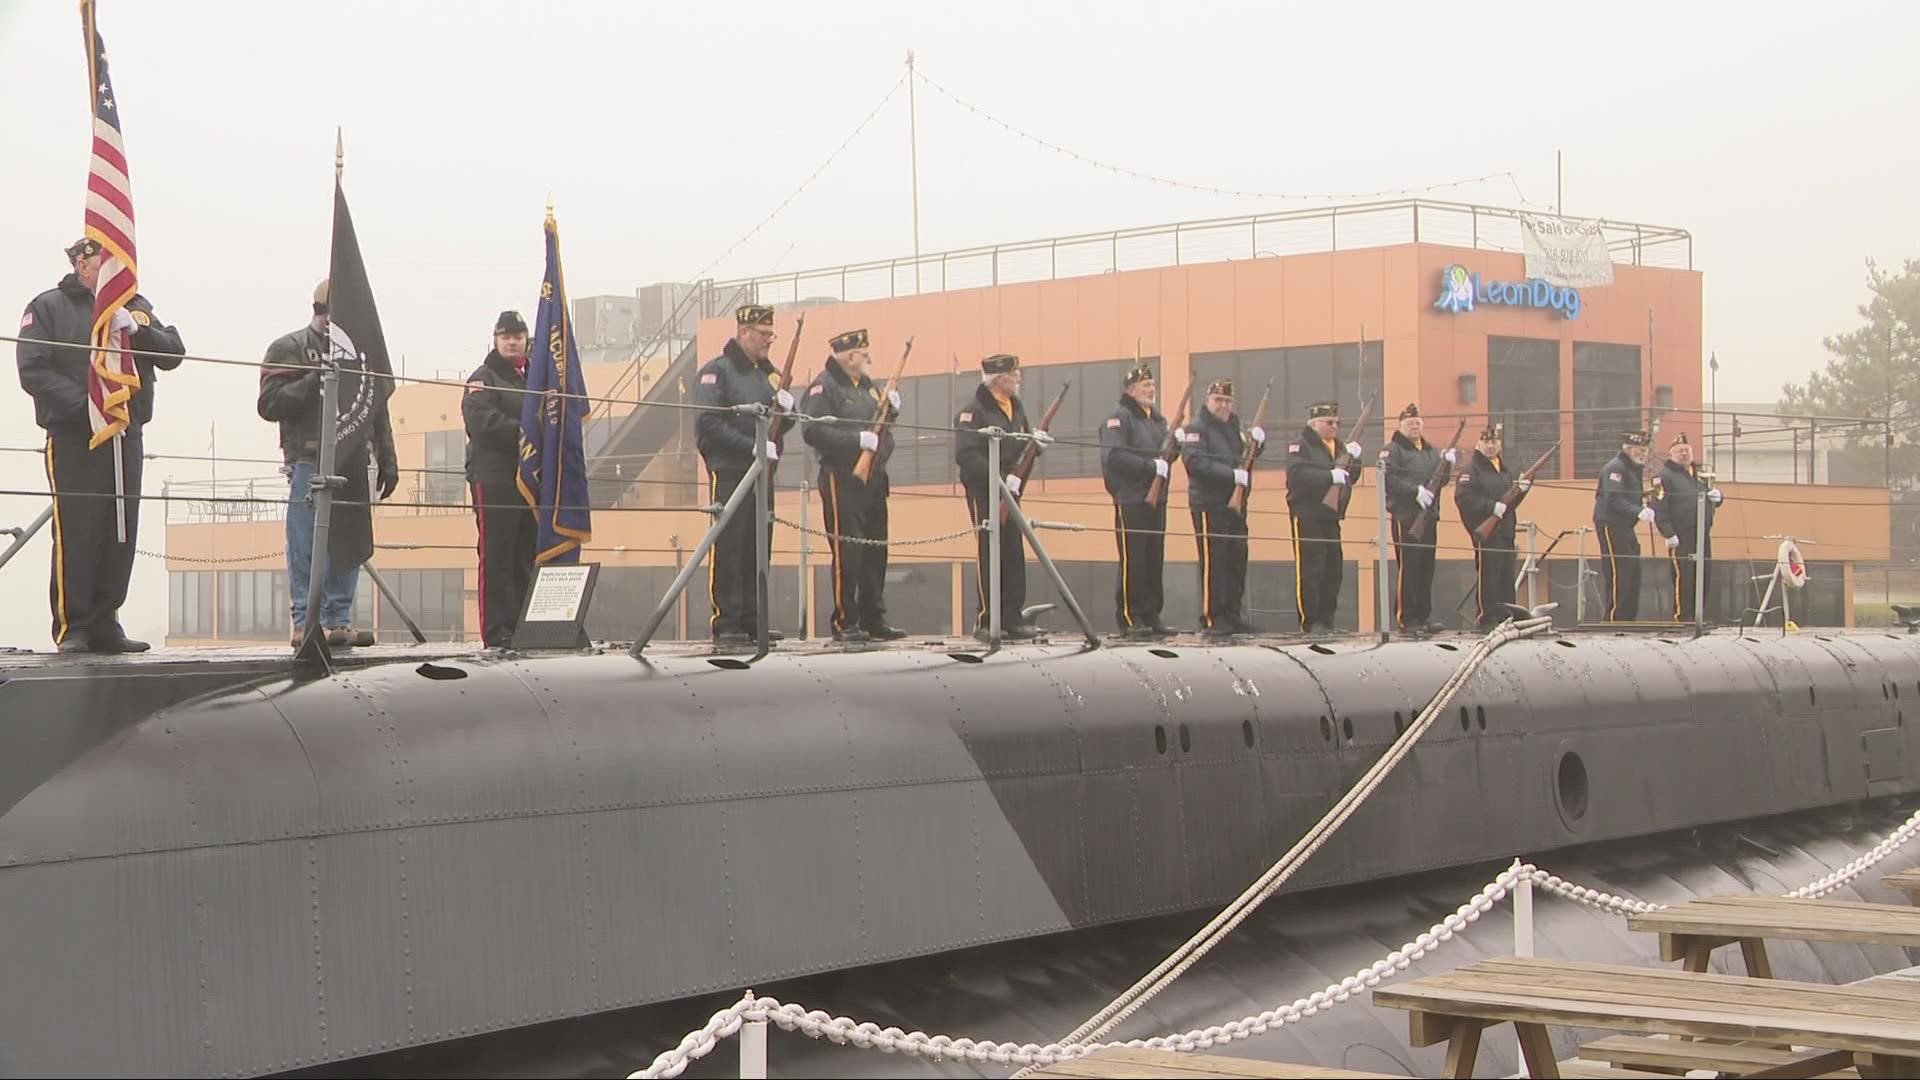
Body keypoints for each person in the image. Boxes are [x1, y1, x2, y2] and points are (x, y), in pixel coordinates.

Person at [15, 237, 184, 652]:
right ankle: (74, 625)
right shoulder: (47, 307)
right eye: (92, 260)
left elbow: (174, 352)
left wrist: (137, 327)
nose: (99, 267)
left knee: (119, 529)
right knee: (77, 528)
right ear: (78, 264)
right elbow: (33, 370)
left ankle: (108, 620)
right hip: (75, 434)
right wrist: (88, 407)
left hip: (126, 433)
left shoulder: (134, 306)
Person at [258, 280, 398, 648]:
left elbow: (375, 406)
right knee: (304, 542)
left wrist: (387, 457)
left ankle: (338, 619)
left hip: (352, 457)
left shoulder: (359, 353)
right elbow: (269, 404)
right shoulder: (288, 348)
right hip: (308, 456)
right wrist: (314, 380)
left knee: (349, 539)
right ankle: (304, 621)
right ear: (318, 313)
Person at [800, 327, 908, 643]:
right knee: (849, 551)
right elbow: (813, 432)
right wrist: (856, 441)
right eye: (864, 353)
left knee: (876, 549)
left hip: (874, 479)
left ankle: (874, 617)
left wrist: (886, 431)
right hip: (842, 477)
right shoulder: (825, 387)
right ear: (850, 356)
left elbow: (883, 432)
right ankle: (845, 620)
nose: (868, 358)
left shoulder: (869, 388)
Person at [693, 303, 791, 645]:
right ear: (744, 332)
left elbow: (781, 424)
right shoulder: (717, 373)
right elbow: (708, 423)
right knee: (731, 545)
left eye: (771, 335)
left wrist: (789, 411)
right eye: (763, 335)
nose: (768, 341)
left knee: (758, 546)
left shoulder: (768, 375)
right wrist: (751, 445)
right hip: (732, 470)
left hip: (763, 472)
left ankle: (753, 616)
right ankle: (728, 619)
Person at [955, 352, 1049, 640]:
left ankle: (1011, 615)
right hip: (985, 490)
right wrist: (997, 479)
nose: (1018, 377)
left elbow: (1020, 450)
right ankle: (987, 618)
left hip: (1012, 489)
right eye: (1013, 373)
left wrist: (1036, 447)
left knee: (1013, 552)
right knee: (990, 551)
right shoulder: (973, 412)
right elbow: (966, 455)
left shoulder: (1015, 408)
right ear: (998, 378)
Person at [461, 311, 539, 647]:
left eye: (517, 336)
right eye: (506, 336)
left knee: (524, 553)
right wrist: (526, 434)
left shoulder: (534, 379)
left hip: (528, 478)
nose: (512, 341)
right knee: (496, 554)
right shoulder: (484, 378)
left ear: (525, 340)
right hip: (494, 477)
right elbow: (481, 423)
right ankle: (496, 631)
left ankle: (521, 625)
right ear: (496, 340)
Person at [1183, 378, 1262, 637]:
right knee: (1214, 561)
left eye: (1227, 401)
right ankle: (1212, 617)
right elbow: (1194, 462)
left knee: (1236, 559)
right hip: (1209, 502)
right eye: (1218, 400)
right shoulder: (1198, 427)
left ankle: (1231, 614)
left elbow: (1246, 453)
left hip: (1235, 504)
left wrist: (1259, 444)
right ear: (1208, 400)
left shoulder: (1234, 426)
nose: (1224, 405)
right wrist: (1231, 475)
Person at [1100, 361, 1174, 638]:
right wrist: (1151, 467)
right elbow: (1115, 457)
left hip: (1157, 498)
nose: (1151, 389)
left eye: (1153, 385)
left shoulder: (1156, 420)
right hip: (1132, 497)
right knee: (1134, 558)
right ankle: (1131, 616)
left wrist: (1173, 448)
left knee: (1154, 556)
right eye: (1146, 385)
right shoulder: (1119, 419)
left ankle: (1151, 613)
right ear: (1131, 390)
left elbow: (1166, 455)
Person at [1286, 401, 1361, 635]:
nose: (1334, 426)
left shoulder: (1338, 447)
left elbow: (1349, 478)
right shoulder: (1301, 445)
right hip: (1307, 512)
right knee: (1311, 567)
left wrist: (1355, 459)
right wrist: (1328, 475)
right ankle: (1311, 621)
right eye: (1329, 422)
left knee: (1332, 567)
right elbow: (1297, 474)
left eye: (1336, 422)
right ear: (1314, 423)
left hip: (1330, 515)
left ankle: (1327, 620)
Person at [1382, 403, 1455, 633]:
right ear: (1401, 425)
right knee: (1410, 566)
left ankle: (1423, 615)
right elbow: (1389, 478)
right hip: (1407, 516)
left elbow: (1440, 481)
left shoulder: (1431, 451)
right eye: (1410, 423)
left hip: (1429, 516)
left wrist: (1448, 465)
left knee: (1426, 567)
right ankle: (1408, 617)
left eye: (1417, 423)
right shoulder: (1393, 450)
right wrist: (1415, 491)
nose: (1414, 426)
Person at [1453, 423, 1532, 627]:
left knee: (1506, 577)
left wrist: (1522, 491)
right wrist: (1490, 507)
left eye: (1494, 441)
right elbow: (1464, 498)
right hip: (1487, 532)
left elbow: (1509, 505)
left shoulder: (1504, 469)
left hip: (1505, 531)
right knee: (1489, 577)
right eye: (1486, 442)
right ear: (1479, 444)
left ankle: (1507, 615)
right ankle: (1487, 617)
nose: (1490, 446)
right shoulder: (1471, 469)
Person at [1652, 431, 1723, 622]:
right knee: (1684, 576)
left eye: (1686, 450)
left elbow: (1710, 497)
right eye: (1679, 451)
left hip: (1702, 533)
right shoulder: (1662, 478)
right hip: (1681, 535)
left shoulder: (1699, 475)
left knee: (1703, 574)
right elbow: (1659, 507)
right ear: (1671, 455)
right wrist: (1668, 534)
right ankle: (1683, 616)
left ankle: (1698, 614)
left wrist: (1718, 498)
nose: (1684, 454)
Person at [1593, 429, 1655, 622]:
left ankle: (1627, 617)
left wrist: (1642, 502)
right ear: (1627, 448)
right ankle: (1614, 618)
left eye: (1645, 449)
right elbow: (1613, 499)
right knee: (1619, 572)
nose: (1643, 453)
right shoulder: (1616, 468)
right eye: (1639, 449)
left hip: (1625, 526)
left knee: (1631, 571)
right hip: (1612, 524)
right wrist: (1637, 511)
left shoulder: (1631, 469)